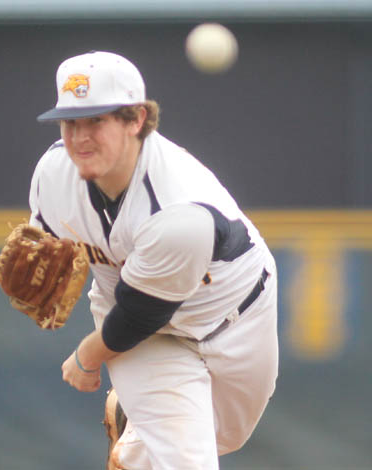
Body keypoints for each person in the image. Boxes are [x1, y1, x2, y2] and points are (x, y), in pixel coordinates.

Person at [27, 51, 279, 469]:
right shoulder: (53, 173)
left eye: (96, 121)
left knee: (224, 436)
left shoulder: (179, 208)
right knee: (187, 462)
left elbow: (138, 315)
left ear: (136, 120)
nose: (80, 137)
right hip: (143, 335)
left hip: (234, 316)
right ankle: (145, 429)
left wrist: (85, 360)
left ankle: (133, 429)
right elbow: (48, 241)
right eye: (70, 122)